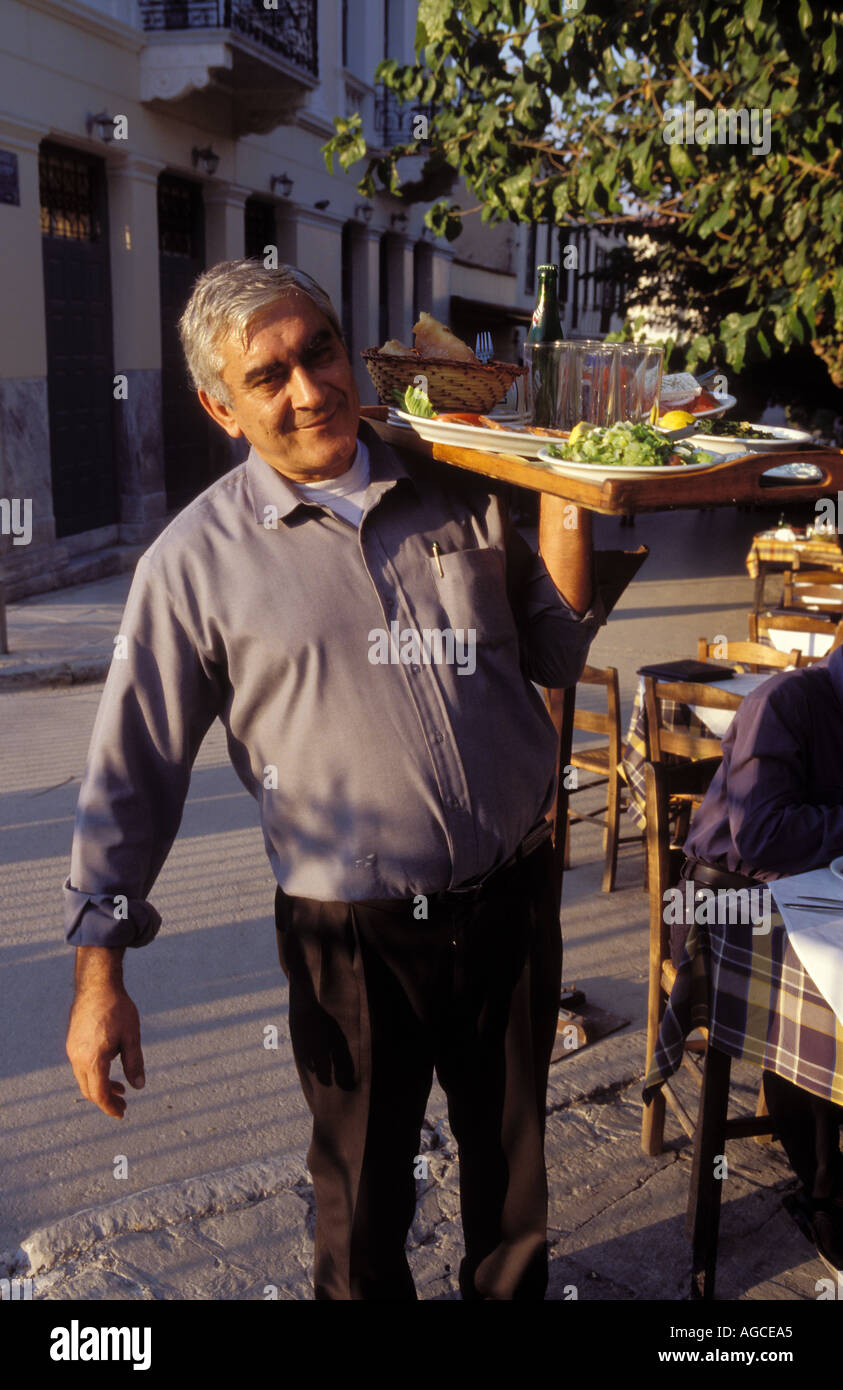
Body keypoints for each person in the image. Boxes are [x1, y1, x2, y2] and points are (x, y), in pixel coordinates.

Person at [63, 260, 603, 1301]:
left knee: (515, 1181)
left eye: (319, 351)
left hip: (511, 899)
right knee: (360, 1202)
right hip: (353, 937)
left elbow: (555, 650)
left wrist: (571, 500)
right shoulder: (192, 566)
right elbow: (131, 773)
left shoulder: (460, 484)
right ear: (222, 407)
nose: (309, 389)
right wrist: (99, 978)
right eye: (268, 377)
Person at [683, 645, 843, 1272]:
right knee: (823, 995)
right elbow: (765, 835)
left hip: (809, 898)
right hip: (725, 908)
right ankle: (826, 1189)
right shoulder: (785, 701)